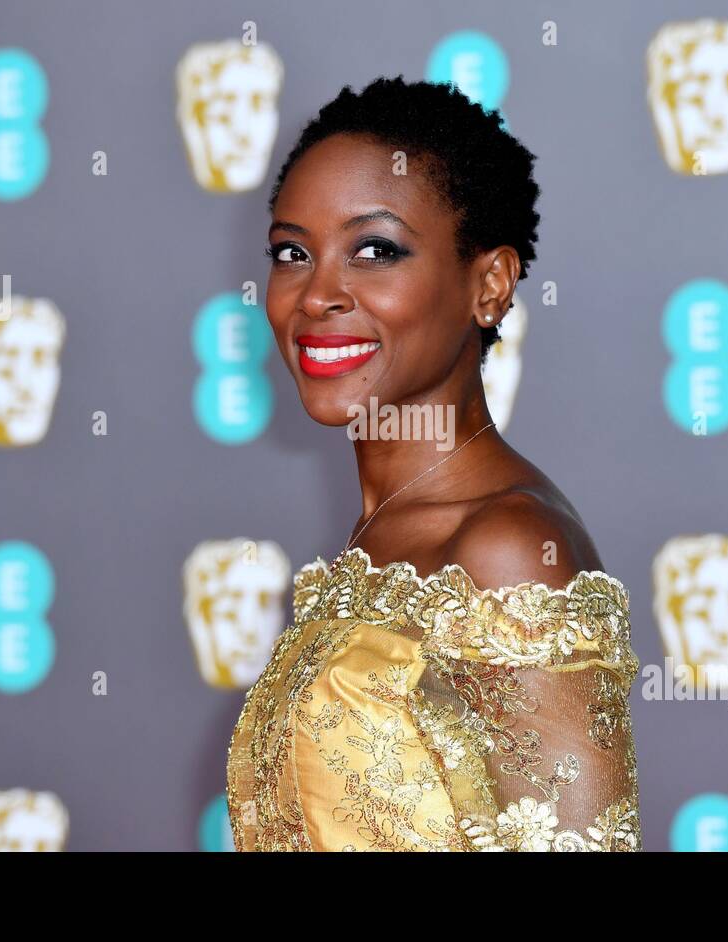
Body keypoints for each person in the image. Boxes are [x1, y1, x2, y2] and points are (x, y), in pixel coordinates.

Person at [226, 76, 640, 852]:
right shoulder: (383, 532)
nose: (317, 295)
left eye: (374, 250)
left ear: (489, 284)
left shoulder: (506, 546)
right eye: (292, 252)